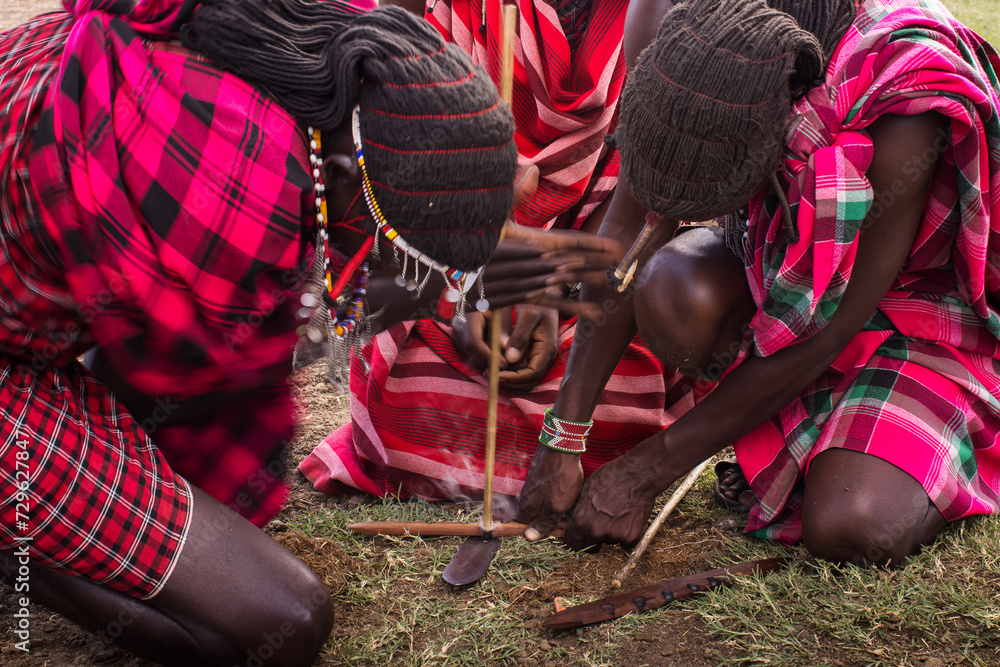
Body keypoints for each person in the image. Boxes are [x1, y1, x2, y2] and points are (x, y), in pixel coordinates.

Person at [0, 0, 619, 664]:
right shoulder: (233, 182)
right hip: (17, 368)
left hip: (44, 325)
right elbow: (211, 365)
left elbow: (327, 273)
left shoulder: (320, 55)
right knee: (285, 621)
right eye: (409, 252)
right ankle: (17, 547)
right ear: (363, 193)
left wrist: (463, 281)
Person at [515, 0, 1000, 567]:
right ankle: (789, 423)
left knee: (852, 526)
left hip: (919, 315)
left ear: (780, 121)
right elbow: (631, 228)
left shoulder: (901, 94)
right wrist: (563, 435)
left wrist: (644, 471)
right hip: (778, 267)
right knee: (673, 291)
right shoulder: (667, 20)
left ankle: (898, 436)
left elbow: (831, 330)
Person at [300, 0, 681, 502]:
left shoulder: (655, 16)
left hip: (586, 279)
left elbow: (636, 211)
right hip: (450, 253)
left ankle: (561, 438)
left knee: (627, 380)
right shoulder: (458, 11)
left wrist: (545, 287)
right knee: (409, 392)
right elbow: (395, 154)